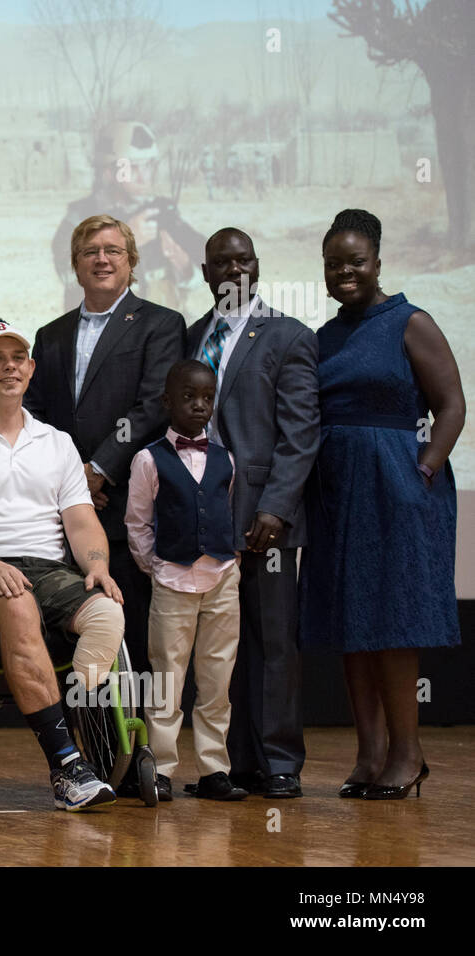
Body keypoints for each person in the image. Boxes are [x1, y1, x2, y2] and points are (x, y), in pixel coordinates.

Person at [0, 323, 125, 810]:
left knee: (108, 612)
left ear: (31, 369)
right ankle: (67, 767)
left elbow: (81, 520)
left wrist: (97, 566)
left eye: (19, 357)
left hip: (47, 568)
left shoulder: (56, 442)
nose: (10, 365)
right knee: (16, 604)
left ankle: (76, 712)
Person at [301, 209, 464, 800]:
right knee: (352, 623)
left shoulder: (410, 322)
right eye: (333, 264)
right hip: (337, 493)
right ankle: (370, 753)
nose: (344, 272)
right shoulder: (324, 337)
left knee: (392, 623)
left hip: (398, 489)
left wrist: (422, 469)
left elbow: (451, 404)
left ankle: (409, 753)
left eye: (356, 262)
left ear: (377, 262)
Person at [24, 214, 185, 687]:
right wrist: (69, 480)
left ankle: (131, 754)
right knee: (75, 644)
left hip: (122, 509)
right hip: (62, 516)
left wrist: (96, 471)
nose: (101, 259)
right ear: (74, 265)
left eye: (113, 251)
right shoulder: (50, 335)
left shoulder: (160, 324)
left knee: (128, 637)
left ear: (132, 262)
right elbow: (32, 416)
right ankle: (83, 755)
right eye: (90, 251)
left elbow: (153, 405)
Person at [187, 228, 319, 799]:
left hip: (263, 521)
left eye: (243, 260)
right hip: (201, 519)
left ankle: (280, 762)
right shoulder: (192, 336)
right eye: (222, 262)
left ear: (257, 268)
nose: (233, 269)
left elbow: (300, 435)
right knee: (219, 645)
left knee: (271, 642)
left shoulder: (288, 336)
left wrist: (276, 509)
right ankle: (234, 763)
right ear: (206, 272)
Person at [125, 360, 246, 803]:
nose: (199, 406)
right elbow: (138, 524)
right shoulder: (147, 459)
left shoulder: (224, 459)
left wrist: (228, 563)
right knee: (166, 680)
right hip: (172, 581)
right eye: (189, 397)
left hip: (220, 581)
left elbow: (225, 511)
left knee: (216, 680)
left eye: (207, 399)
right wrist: (156, 567)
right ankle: (160, 768)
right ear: (167, 402)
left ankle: (215, 768)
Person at [51, 122, 205, 314]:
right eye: (133, 168)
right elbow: (68, 273)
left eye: (148, 166)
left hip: (159, 335)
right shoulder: (81, 217)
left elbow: (200, 264)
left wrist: (185, 267)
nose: (144, 177)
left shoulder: (162, 212)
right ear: (109, 172)